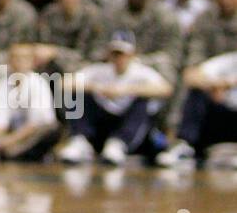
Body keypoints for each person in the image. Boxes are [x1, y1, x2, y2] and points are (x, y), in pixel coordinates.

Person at [59, 32, 172, 166]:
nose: (118, 58)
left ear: (132, 55)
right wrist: (97, 88)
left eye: (122, 54)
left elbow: (166, 89)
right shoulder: (99, 70)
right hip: (101, 121)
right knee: (76, 93)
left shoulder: (141, 72)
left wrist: (126, 90)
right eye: (115, 53)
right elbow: (63, 83)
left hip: (127, 122)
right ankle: (80, 140)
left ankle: (118, 144)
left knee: (144, 102)